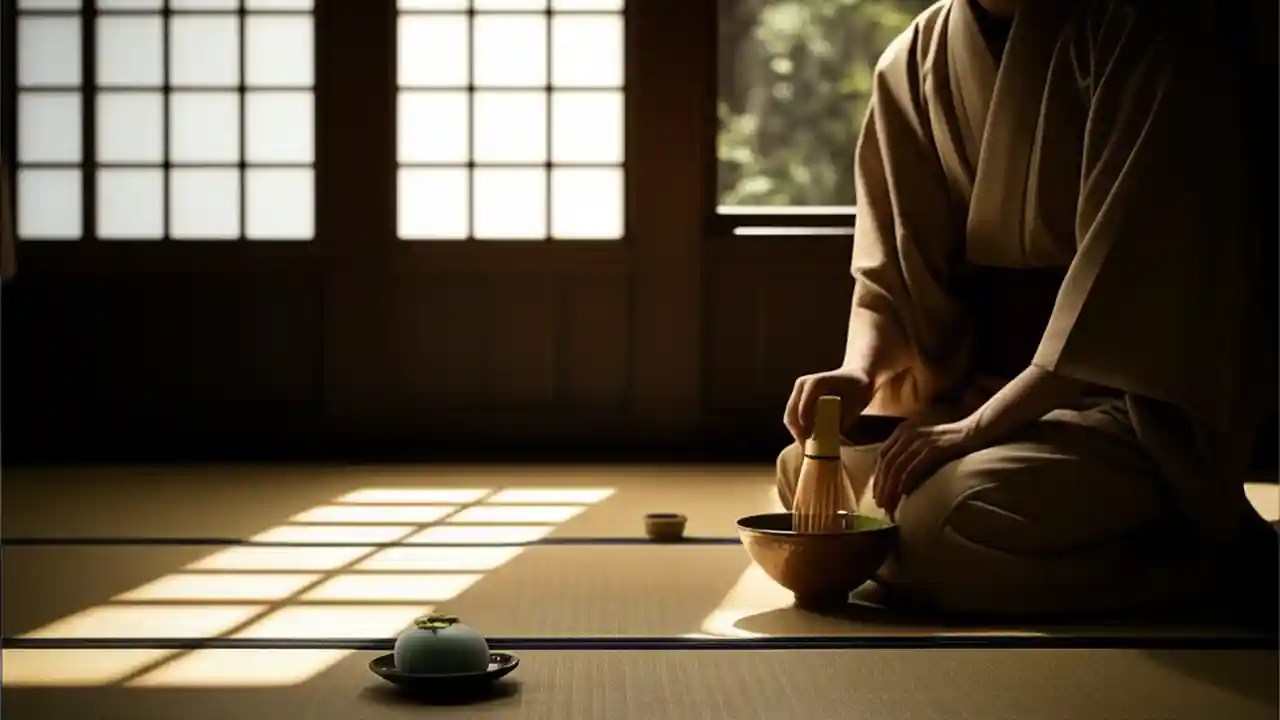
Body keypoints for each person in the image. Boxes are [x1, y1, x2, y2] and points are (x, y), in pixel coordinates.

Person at [776, 0, 1277, 618]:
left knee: (951, 518)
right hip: (977, 388)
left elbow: (1121, 297)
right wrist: (860, 372)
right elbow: (894, 279)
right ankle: (960, 561)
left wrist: (973, 432)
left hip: (1116, 403)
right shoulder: (915, 58)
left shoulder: (1146, 29)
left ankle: (1202, 566)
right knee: (808, 471)